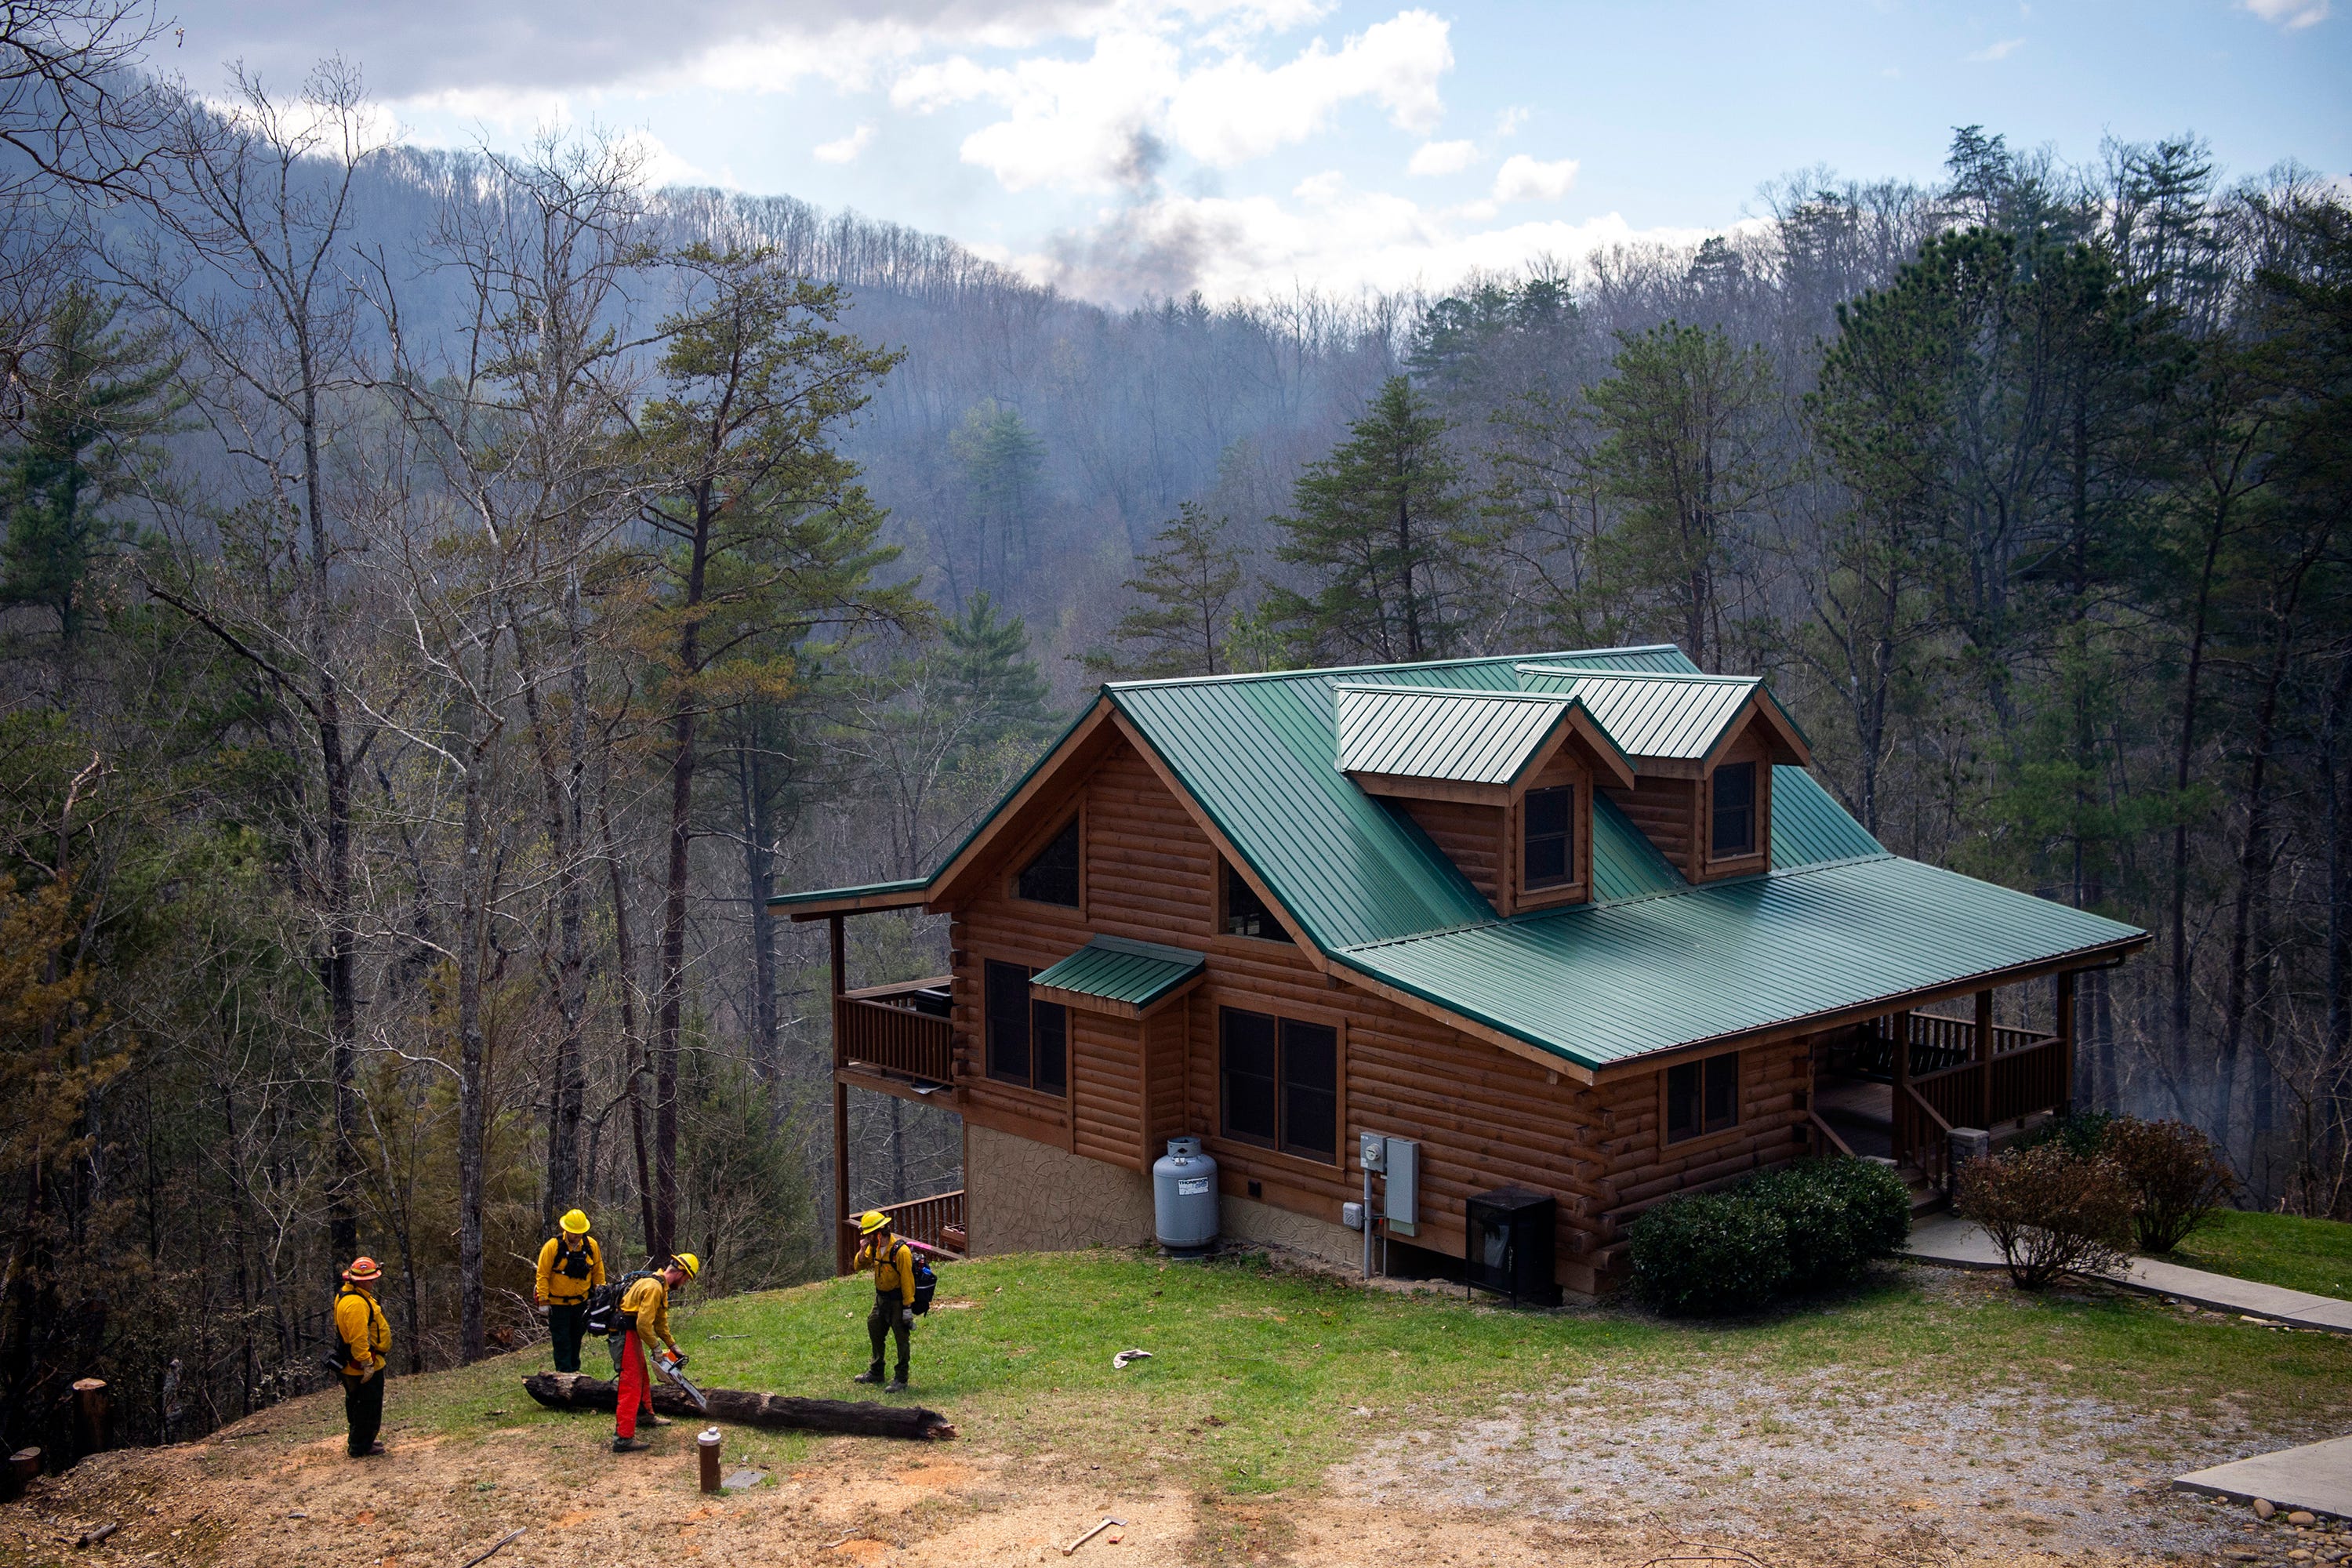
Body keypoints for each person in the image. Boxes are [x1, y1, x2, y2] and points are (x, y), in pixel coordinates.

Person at [611, 1252, 697, 1454]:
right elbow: (643, 1324)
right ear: (681, 1273)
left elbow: (659, 1322)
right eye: (686, 1280)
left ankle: (645, 1415)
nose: (684, 1284)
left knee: (642, 1377)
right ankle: (623, 1439)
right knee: (630, 1385)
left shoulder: (659, 1285)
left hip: (632, 1334)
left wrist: (673, 1346)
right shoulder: (653, 1287)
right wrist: (656, 1349)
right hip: (626, 1334)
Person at [851, 1210, 916, 1394]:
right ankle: (876, 1371)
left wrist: (907, 1308)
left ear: (879, 1232)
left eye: (868, 1234)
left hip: (898, 1301)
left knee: (901, 1339)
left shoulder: (900, 1251)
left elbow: (907, 1281)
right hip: (881, 1299)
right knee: (874, 1327)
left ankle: (901, 1378)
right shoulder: (874, 1247)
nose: (866, 1238)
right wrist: (862, 1250)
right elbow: (859, 1266)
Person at [534, 1208, 605, 1373]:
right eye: (574, 1233)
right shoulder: (552, 1246)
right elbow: (542, 1275)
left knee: (576, 1338)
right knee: (561, 1340)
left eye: (580, 1232)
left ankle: (575, 1371)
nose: (577, 1236)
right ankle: (563, 1373)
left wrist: (600, 1294)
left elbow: (598, 1272)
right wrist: (543, 1301)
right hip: (558, 1305)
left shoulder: (591, 1245)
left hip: (581, 1303)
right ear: (566, 1229)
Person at [335, 1257, 392, 1459]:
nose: (373, 1282)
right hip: (361, 1364)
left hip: (359, 1362)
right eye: (370, 1279)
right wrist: (367, 1363)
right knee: (367, 1405)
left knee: (359, 1403)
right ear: (359, 1281)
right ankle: (360, 1446)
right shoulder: (356, 1304)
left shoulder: (351, 1295)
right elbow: (359, 1338)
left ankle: (363, 1440)